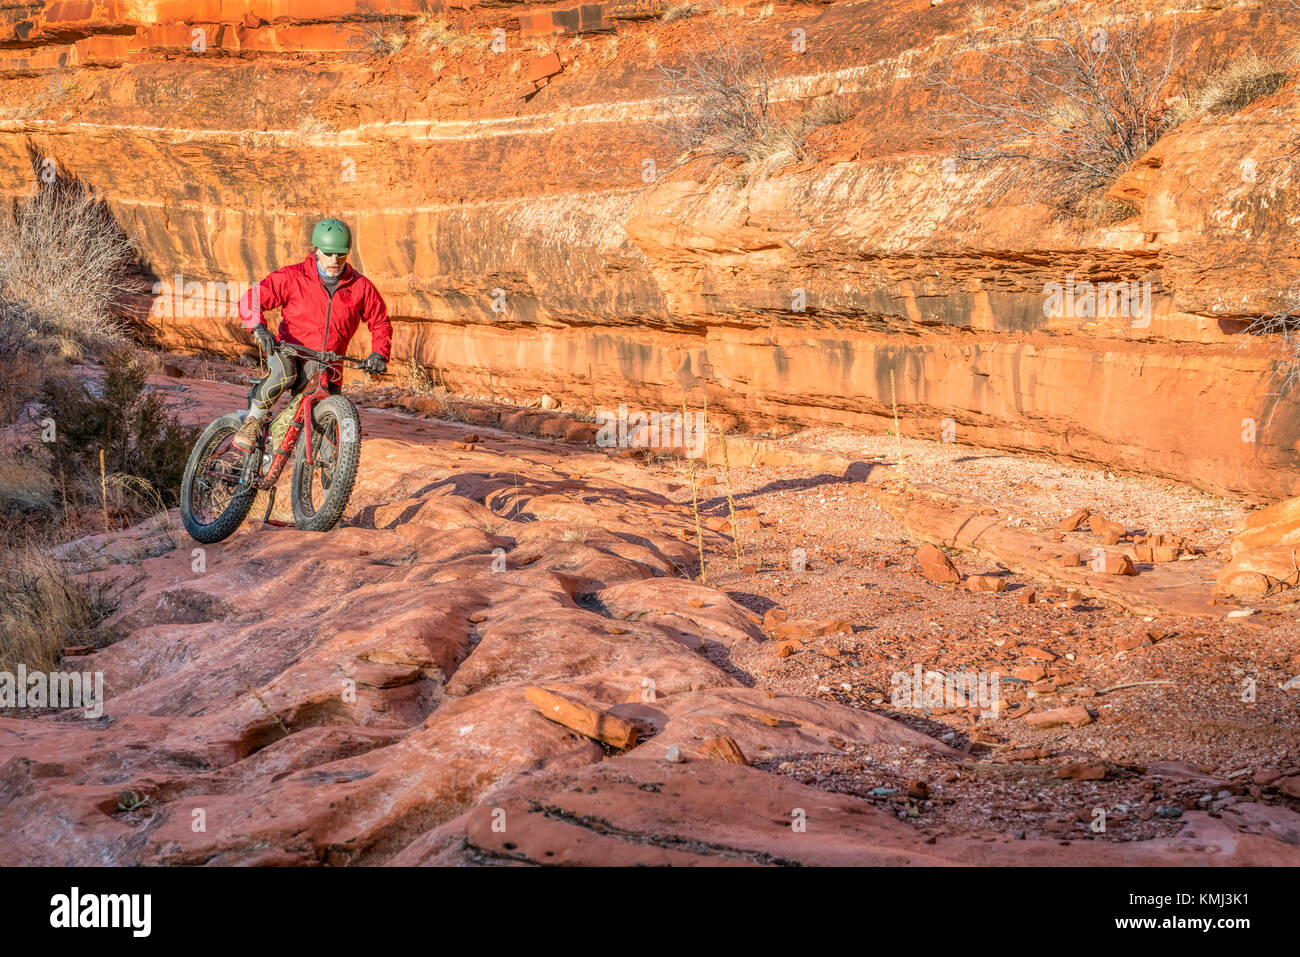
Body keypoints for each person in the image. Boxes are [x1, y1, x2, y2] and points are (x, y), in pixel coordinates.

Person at [231, 218, 391, 452]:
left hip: (329, 363)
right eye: (328, 253)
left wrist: (379, 353)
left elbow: (380, 322)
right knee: (285, 373)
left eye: (340, 254)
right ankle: (252, 421)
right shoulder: (293, 277)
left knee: (332, 414)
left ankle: (331, 471)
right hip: (289, 352)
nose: (334, 260)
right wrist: (258, 327)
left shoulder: (360, 287)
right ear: (316, 250)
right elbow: (252, 298)